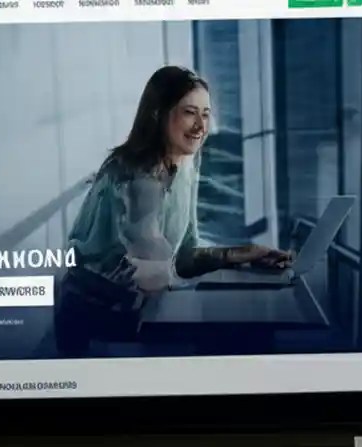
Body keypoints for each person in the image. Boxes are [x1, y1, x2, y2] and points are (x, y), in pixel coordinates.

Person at [55, 65, 292, 356]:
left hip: (140, 300)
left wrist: (242, 254)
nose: (201, 126)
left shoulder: (185, 162)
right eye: (190, 113)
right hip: (95, 311)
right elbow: (151, 271)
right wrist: (208, 274)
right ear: (158, 114)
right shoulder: (137, 176)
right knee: (237, 333)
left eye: (206, 114)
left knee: (243, 328)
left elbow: (184, 255)